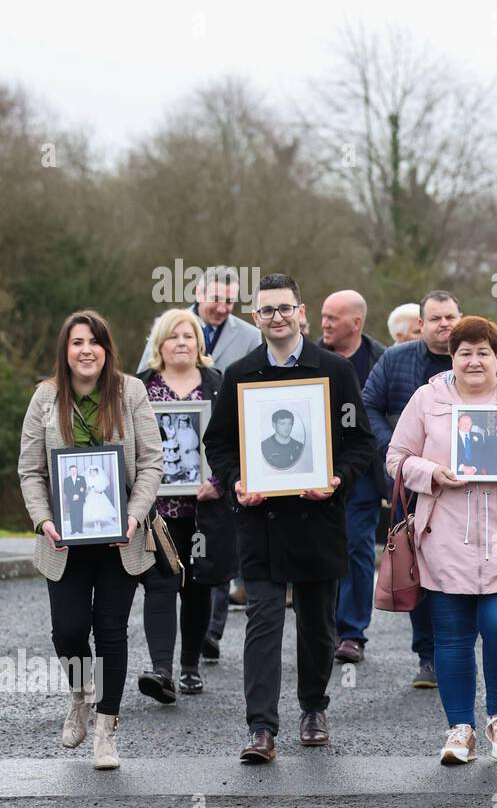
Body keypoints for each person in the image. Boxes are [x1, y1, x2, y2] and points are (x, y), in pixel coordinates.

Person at [204, 273, 375, 764]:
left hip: (319, 517)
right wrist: (236, 479)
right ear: (256, 318)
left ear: (300, 312)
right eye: (266, 311)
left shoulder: (335, 370)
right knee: (262, 621)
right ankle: (261, 727)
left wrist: (337, 479)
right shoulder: (240, 373)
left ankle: (314, 708)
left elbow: (361, 441)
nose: (276, 318)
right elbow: (217, 441)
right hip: (260, 521)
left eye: (284, 309)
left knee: (318, 625)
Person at [386, 316, 497, 764]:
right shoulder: (428, 399)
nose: (474, 360)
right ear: (452, 357)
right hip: (445, 536)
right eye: (464, 352)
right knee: (452, 636)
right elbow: (396, 458)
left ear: (495, 356)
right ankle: (459, 729)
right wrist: (430, 474)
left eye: (483, 352)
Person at [19, 311, 164, 769]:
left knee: (111, 632)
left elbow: (151, 463)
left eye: (95, 342)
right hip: (63, 541)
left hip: (120, 538)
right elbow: (30, 469)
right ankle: (81, 694)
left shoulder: (130, 392)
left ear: (106, 349)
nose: (86, 350)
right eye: (77, 342)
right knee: (66, 631)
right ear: (65, 350)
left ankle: (106, 729)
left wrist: (136, 516)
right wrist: (44, 521)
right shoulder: (45, 398)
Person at [135, 308, 236, 703]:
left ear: (200, 344)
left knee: (198, 585)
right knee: (160, 584)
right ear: (159, 344)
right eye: (173, 336)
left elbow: (234, 441)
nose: (181, 342)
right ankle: (161, 669)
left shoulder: (219, 384)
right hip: (157, 512)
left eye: (189, 336)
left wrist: (219, 481)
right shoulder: (140, 388)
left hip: (206, 510)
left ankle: (190, 666)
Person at [362, 290, 461, 688]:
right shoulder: (396, 359)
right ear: (421, 325)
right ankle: (428, 657)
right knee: (418, 568)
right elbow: (367, 404)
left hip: (466, 485)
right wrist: (394, 449)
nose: (445, 325)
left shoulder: (475, 359)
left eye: (451, 316)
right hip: (412, 483)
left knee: (460, 571)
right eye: (436, 318)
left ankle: (458, 647)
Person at [319, 289, 388, 664]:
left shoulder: (380, 359)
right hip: (314, 469)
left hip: (361, 471)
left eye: (333, 318)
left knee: (358, 546)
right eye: (324, 316)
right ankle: (322, 627)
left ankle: (351, 633)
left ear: (356, 322)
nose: (324, 323)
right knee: (320, 548)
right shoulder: (310, 357)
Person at [62, 465, 87, 536]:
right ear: (70, 471)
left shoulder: (81, 478)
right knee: (72, 514)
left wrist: (79, 494)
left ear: (77, 470)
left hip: (80, 499)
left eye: (75, 470)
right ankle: (73, 530)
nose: (73, 471)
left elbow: (84, 487)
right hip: (71, 499)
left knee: (79, 514)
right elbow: (66, 490)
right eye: (72, 470)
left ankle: (80, 529)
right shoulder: (67, 479)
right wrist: (73, 495)